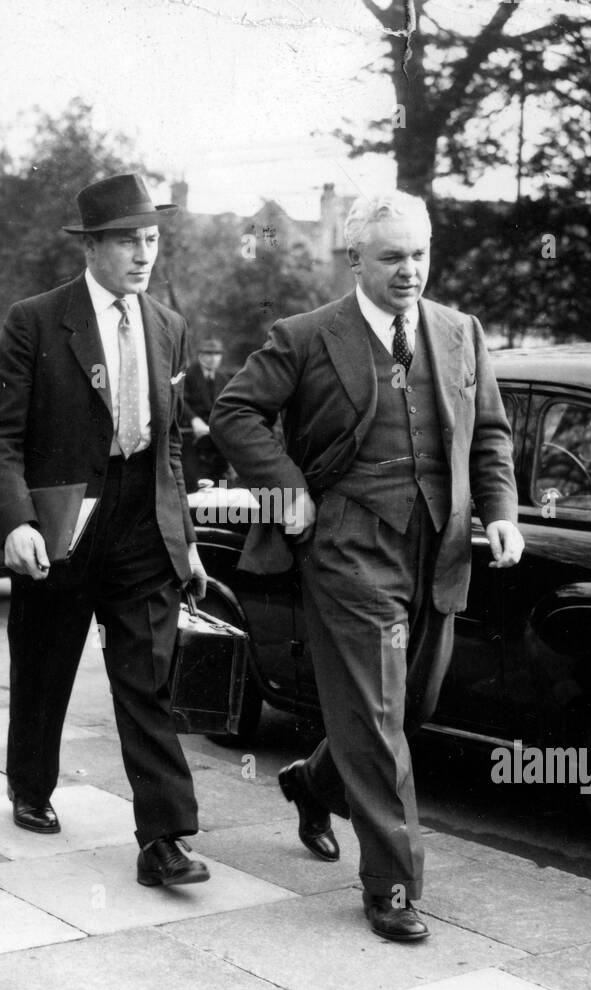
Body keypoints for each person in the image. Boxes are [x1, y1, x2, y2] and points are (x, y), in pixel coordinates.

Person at [211, 192, 524, 941]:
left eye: (418, 254)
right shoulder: (307, 336)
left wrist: (501, 512)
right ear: (356, 260)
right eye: (391, 257)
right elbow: (234, 412)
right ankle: (391, 884)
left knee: (406, 708)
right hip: (348, 547)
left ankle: (311, 780)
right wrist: (288, 489)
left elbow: (489, 435)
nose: (409, 270)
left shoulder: (460, 333)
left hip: (437, 547)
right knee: (379, 721)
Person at [0, 172, 211, 888]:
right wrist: (15, 522)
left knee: (148, 679)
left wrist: (185, 533)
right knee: (45, 667)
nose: (144, 255)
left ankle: (164, 838)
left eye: (152, 239)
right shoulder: (37, 320)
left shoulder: (168, 326)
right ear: (93, 247)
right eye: (129, 242)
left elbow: (170, 444)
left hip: (143, 520)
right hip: (62, 521)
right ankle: (30, 784)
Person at [179, 337, 233, 489]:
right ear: (200, 355)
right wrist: (194, 420)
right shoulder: (186, 375)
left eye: (217, 354)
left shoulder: (223, 378)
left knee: (221, 475)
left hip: (215, 435)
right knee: (192, 478)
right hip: (191, 434)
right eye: (209, 354)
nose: (213, 358)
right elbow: (180, 400)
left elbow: (227, 405)